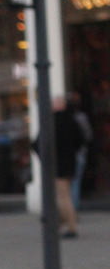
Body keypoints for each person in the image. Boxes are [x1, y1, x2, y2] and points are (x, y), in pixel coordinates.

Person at [49, 95, 88, 239]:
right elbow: (81, 140)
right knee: (66, 194)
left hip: (58, 164)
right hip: (70, 163)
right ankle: (60, 224)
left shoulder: (53, 121)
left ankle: (71, 226)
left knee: (63, 197)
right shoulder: (72, 120)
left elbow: (41, 143)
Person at [70, 93, 94, 212]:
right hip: (78, 152)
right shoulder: (81, 118)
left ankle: (71, 205)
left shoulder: (72, 117)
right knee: (75, 180)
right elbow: (88, 135)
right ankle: (73, 205)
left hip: (72, 153)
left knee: (70, 181)